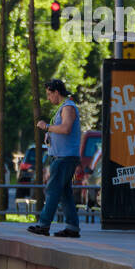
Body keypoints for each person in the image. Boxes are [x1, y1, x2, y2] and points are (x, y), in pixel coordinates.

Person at [27, 79, 81, 238]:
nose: (48, 98)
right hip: (61, 156)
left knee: (52, 190)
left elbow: (66, 128)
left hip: (64, 158)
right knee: (65, 193)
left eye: (50, 94)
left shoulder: (68, 107)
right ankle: (72, 227)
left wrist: (47, 127)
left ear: (57, 92)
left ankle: (43, 225)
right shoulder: (63, 108)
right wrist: (50, 135)